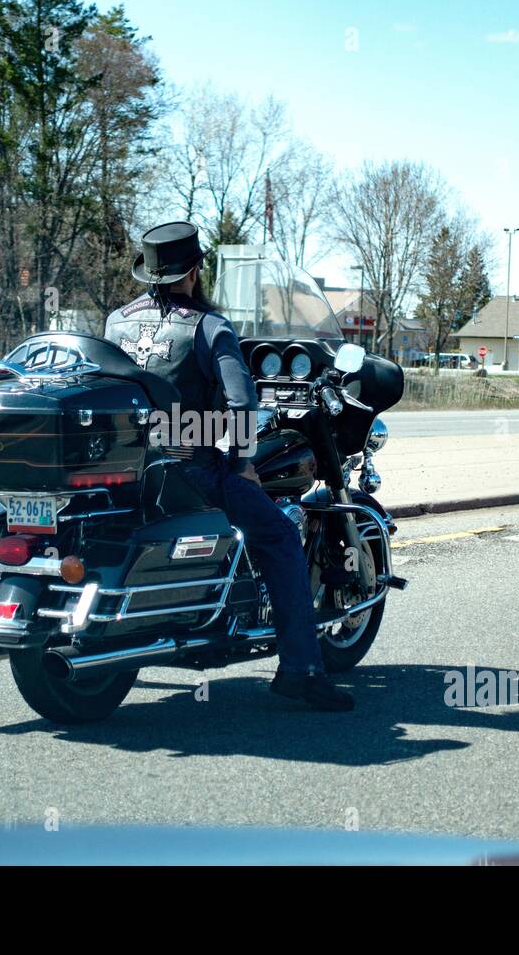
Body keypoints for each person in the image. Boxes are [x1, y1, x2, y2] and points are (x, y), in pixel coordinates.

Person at [104, 221, 353, 712]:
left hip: (131, 464)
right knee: (280, 537)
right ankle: (301, 669)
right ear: (196, 270)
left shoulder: (117, 322)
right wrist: (240, 463)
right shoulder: (208, 326)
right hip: (187, 467)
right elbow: (241, 404)